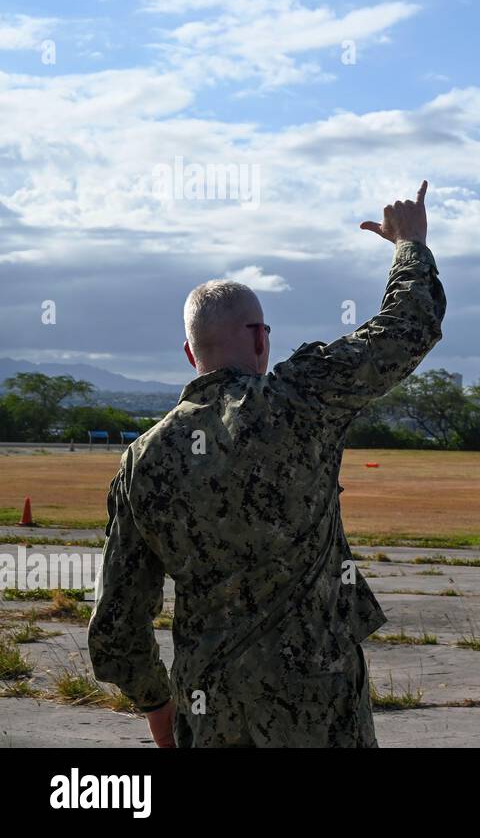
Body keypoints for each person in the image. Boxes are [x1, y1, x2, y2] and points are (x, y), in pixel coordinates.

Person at [88, 182, 445, 747]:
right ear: (260, 339)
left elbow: (117, 622)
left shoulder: (144, 458)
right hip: (320, 711)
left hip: (209, 713)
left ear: (190, 353)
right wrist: (410, 246)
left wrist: (156, 703)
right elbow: (407, 327)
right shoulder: (300, 399)